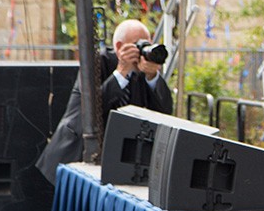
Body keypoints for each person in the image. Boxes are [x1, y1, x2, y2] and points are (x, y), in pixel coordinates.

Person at [35, 19, 172, 184]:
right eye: (137, 45)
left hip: (115, 161)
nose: (142, 52)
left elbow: (165, 111)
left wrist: (152, 77)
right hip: (74, 155)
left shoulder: (142, 71)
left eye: (146, 45)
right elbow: (91, 108)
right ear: (120, 46)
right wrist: (121, 72)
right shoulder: (97, 62)